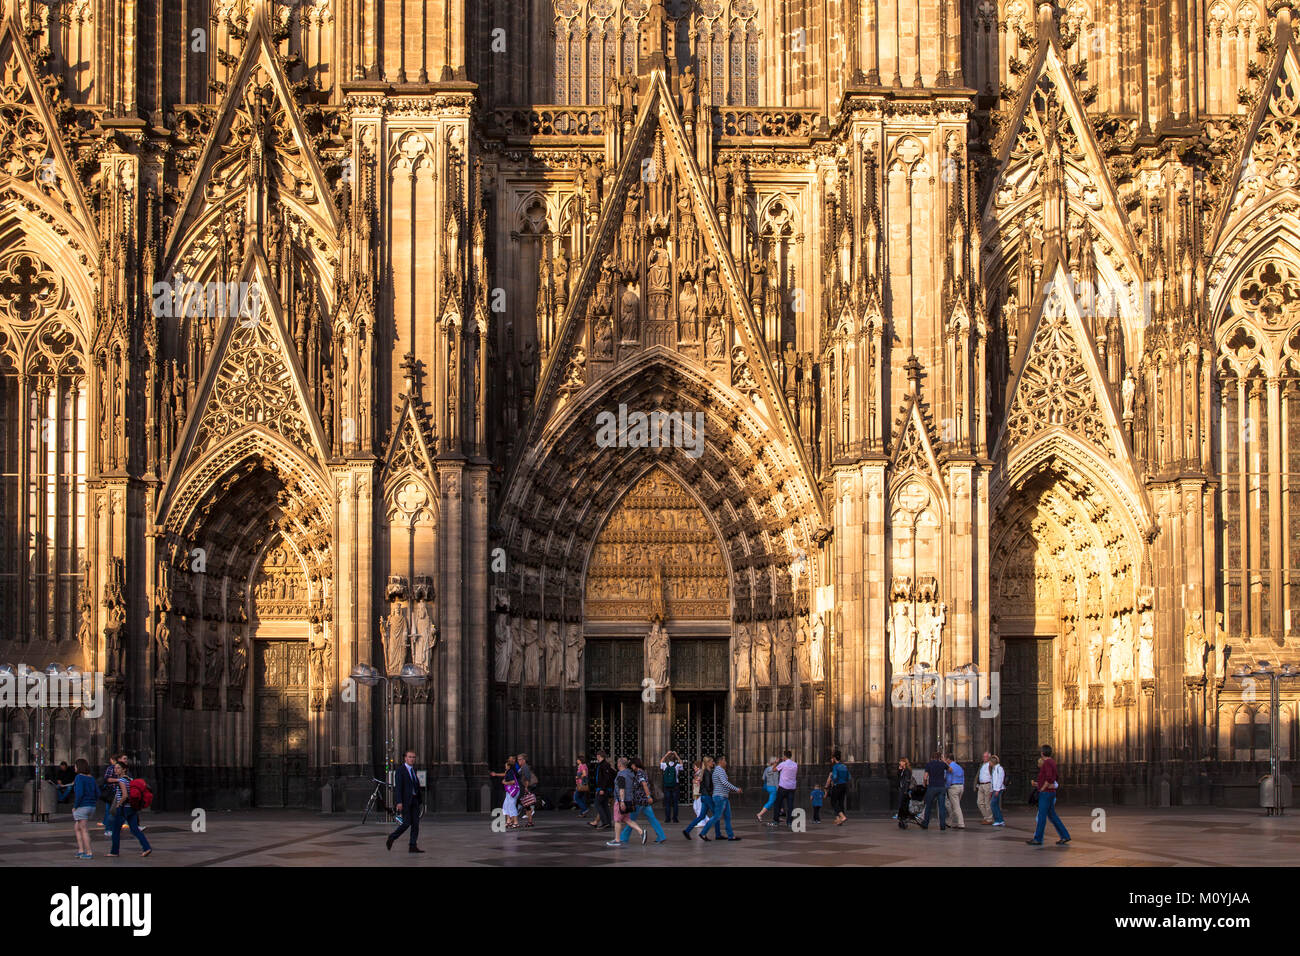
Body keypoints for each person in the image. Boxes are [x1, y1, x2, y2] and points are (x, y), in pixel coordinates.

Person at [105, 758, 151, 858]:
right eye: (115, 768)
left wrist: (119, 804)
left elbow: (125, 795)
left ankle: (114, 851)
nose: (115, 770)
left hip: (123, 808)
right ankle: (146, 847)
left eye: (118, 768)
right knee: (135, 829)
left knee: (116, 830)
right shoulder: (130, 779)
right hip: (132, 807)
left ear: (124, 769)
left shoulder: (121, 780)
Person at [1026, 744, 1071, 846]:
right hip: (1050, 793)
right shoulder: (1052, 762)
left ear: (1042, 753)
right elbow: (1054, 777)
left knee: (1042, 816)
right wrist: (1040, 784)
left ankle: (1038, 839)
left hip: (1045, 793)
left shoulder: (1046, 763)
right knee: (1052, 816)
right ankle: (1065, 836)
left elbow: (1049, 777)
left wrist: (1042, 788)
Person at [620, 757, 668, 844]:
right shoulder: (643, 772)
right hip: (644, 801)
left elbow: (644, 784)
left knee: (631, 820)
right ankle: (661, 836)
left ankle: (623, 838)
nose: (631, 767)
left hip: (639, 800)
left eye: (632, 765)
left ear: (634, 765)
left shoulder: (639, 773)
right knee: (652, 818)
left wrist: (648, 796)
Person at [386, 750, 424, 853]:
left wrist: (419, 800)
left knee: (415, 824)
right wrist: (399, 802)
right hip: (405, 801)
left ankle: (413, 846)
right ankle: (392, 837)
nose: (412, 759)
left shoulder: (413, 770)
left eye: (413, 757)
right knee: (406, 823)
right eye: (410, 757)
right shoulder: (401, 770)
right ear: (405, 758)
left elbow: (415, 785)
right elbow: (398, 787)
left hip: (415, 800)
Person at [704, 755, 742, 841]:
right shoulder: (719, 770)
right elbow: (724, 782)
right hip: (720, 796)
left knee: (727, 817)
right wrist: (736, 789)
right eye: (725, 760)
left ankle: (731, 836)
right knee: (716, 816)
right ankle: (703, 833)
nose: (726, 762)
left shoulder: (719, 770)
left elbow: (723, 783)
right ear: (720, 761)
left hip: (723, 796)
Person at [609, 757, 644, 847]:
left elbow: (621, 789)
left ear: (620, 764)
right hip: (629, 799)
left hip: (622, 800)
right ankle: (641, 832)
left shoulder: (621, 775)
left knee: (617, 820)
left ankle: (617, 840)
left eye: (617, 763)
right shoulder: (630, 773)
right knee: (626, 819)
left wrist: (621, 801)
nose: (617, 765)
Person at [71, 758, 98, 859]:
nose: (74, 767)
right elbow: (97, 793)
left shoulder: (79, 777)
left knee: (83, 829)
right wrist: (92, 801)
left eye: (75, 766)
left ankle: (89, 852)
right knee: (77, 827)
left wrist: (75, 806)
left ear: (79, 767)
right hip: (91, 806)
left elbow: (79, 794)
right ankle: (81, 850)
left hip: (82, 806)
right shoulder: (91, 778)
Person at [683, 756, 714, 839]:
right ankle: (708, 833)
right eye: (712, 761)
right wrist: (712, 792)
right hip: (707, 796)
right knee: (716, 814)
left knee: (701, 815)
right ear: (708, 763)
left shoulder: (703, 772)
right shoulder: (706, 772)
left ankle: (687, 830)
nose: (713, 763)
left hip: (703, 795)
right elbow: (707, 786)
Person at [918, 751, 948, 830]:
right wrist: (944, 761)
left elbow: (925, 777)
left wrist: (924, 783)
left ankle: (925, 823)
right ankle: (942, 825)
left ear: (932, 757)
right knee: (942, 807)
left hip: (932, 787)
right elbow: (951, 770)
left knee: (928, 806)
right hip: (941, 787)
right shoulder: (943, 764)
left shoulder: (929, 764)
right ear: (939, 757)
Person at [489, 755, 521, 828]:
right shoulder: (510, 771)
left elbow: (513, 781)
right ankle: (509, 821)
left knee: (511, 806)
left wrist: (505, 782)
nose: (505, 767)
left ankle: (515, 822)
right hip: (509, 791)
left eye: (506, 766)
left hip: (513, 790)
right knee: (506, 805)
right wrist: (496, 774)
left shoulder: (512, 770)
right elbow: (506, 774)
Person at [590, 751, 615, 830]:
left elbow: (606, 778)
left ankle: (605, 822)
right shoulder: (602, 764)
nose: (596, 757)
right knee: (604, 805)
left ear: (599, 756)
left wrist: (602, 789)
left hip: (604, 789)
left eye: (597, 755)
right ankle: (608, 823)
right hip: (603, 788)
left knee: (597, 804)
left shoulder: (605, 765)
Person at [773, 749, 798, 827]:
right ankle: (789, 822)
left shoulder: (783, 764)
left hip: (783, 787)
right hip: (792, 787)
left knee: (777, 804)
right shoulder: (795, 764)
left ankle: (776, 821)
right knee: (790, 806)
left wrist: (776, 762)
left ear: (785, 756)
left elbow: (774, 769)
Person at [824, 751, 849, 825]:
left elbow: (834, 777)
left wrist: (831, 782)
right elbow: (848, 777)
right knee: (840, 803)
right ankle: (839, 820)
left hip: (837, 785)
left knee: (833, 802)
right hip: (844, 785)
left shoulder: (835, 767)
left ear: (834, 758)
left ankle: (842, 817)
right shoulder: (844, 766)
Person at [659, 751, 684, 823]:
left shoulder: (664, 765)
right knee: (675, 802)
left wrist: (666, 754)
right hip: (675, 785)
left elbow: (661, 761)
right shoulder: (677, 765)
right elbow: (681, 763)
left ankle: (667, 818)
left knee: (667, 803)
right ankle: (675, 818)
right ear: (674, 759)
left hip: (667, 786)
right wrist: (677, 755)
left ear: (668, 759)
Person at [943, 753, 966, 829]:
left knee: (956, 806)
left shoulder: (949, 767)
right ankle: (950, 822)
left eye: (946, 759)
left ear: (948, 759)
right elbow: (963, 777)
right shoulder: (959, 766)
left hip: (953, 787)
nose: (945, 761)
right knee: (954, 806)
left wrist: (946, 787)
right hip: (961, 786)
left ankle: (961, 823)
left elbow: (948, 778)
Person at [756, 757, 780, 823]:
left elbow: (763, 778)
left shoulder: (766, 769)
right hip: (773, 787)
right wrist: (777, 788)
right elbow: (776, 780)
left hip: (768, 787)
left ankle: (777, 816)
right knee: (771, 802)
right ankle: (760, 814)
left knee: (776, 801)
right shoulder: (775, 769)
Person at [517, 753, 537, 827]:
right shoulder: (523, 767)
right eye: (518, 759)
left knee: (523, 803)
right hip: (524, 787)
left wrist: (526, 787)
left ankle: (513, 821)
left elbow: (527, 777)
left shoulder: (525, 767)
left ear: (524, 760)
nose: (518, 761)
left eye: (520, 759)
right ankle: (530, 821)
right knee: (527, 805)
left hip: (525, 787)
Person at [976, 751, 995, 825]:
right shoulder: (982, 765)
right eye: (983, 756)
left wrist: (992, 788)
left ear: (989, 757)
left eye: (986, 757)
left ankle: (989, 818)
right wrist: (977, 784)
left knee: (987, 803)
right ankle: (986, 817)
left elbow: (993, 775)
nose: (984, 758)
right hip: (981, 785)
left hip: (987, 784)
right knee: (979, 802)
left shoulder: (990, 765)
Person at [896, 758, 914, 830]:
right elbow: (899, 777)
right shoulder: (903, 770)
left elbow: (907, 781)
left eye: (901, 761)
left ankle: (903, 819)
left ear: (904, 762)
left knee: (903, 805)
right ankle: (901, 819)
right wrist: (899, 770)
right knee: (901, 804)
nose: (899, 762)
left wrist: (905, 791)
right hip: (901, 789)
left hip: (904, 790)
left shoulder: (907, 770)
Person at [989, 754, 1006, 827]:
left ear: (993, 762)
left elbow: (1000, 779)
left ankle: (998, 820)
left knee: (992, 804)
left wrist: (997, 790)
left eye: (990, 762)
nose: (989, 763)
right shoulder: (993, 769)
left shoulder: (999, 769)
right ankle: (1000, 820)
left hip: (998, 789)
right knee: (995, 805)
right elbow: (993, 780)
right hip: (994, 789)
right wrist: (991, 790)